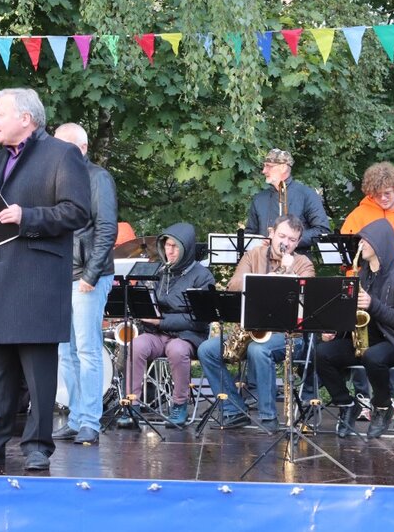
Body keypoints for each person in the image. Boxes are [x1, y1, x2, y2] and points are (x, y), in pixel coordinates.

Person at [0, 88, 90, 471]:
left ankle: (37, 445)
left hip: (37, 279)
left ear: (25, 118)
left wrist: (26, 216)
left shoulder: (61, 155)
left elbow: (77, 212)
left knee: (38, 373)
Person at [196, 215, 315, 431]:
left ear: (297, 243)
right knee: (207, 350)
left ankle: (268, 417)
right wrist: (271, 276)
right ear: (270, 233)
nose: (285, 243)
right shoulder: (254, 254)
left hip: (288, 336)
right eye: (281, 236)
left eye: (292, 239)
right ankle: (233, 410)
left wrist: (289, 273)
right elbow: (233, 286)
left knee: (259, 351)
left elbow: (306, 302)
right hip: (250, 329)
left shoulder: (303, 263)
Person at [315, 218, 394, 439]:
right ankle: (346, 404)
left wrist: (373, 304)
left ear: (380, 243)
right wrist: (335, 330)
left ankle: (382, 407)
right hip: (363, 338)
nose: (361, 244)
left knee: (373, 357)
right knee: (322, 353)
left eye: (365, 240)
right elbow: (350, 312)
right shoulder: (362, 274)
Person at [51, 122, 118, 446]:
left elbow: (107, 228)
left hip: (88, 277)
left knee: (88, 349)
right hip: (61, 276)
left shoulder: (98, 178)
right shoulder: (61, 180)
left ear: (81, 149)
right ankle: (76, 418)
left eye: (63, 147)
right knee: (66, 351)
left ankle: (90, 420)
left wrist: (91, 275)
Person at [119, 222, 216, 428]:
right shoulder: (160, 271)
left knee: (176, 349)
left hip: (188, 335)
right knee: (135, 345)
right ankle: (132, 405)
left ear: (186, 248)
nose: (169, 251)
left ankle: (179, 404)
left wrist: (162, 320)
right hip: (157, 333)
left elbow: (200, 319)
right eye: (166, 246)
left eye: (175, 246)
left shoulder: (202, 276)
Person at [245, 148, 330, 249]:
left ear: (283, 168)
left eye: (269, 166)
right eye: (264, 166)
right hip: (264, 261)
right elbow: (250, 234)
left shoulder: (306, 195)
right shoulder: (259, 199)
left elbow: (322, 231)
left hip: (297, 262)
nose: (264, 171)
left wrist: (290, 240)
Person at [341, 162, 394, 266]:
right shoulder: (357, 215)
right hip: (366, 278)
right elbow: (345, 257)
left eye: (387, 193)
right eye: (378, 194)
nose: (383, 198)